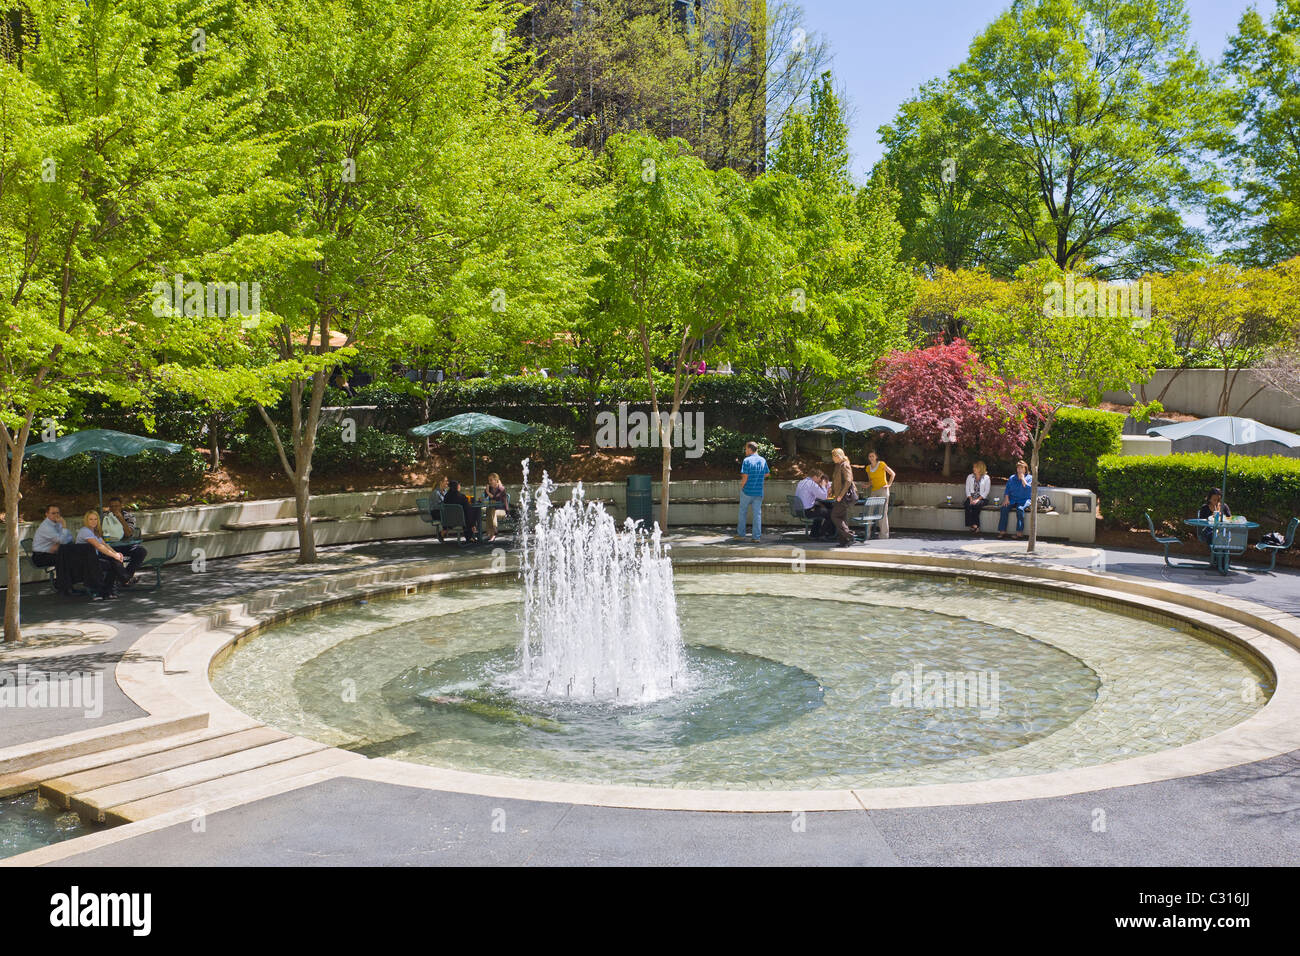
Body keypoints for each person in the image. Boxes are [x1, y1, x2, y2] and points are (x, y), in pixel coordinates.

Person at [75, 511, 129, 600]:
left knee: (114, 561)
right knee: (112, 563)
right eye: (91, 519)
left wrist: (116, 553)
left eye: (95, 519)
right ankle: (125, 580)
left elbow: (105, 545)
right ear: (86, 520)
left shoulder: (95, 532)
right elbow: (99, 546)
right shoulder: (85, 531)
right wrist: (115, 556)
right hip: (85, 561)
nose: (93, 521)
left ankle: (110, 590)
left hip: (94, 559)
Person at [101, 496, 148, 583]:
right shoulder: (105, 517)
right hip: (111, 546)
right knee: (114, 556)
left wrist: (121, 519)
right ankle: (126, 579)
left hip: (126, 545)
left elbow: (128, 534)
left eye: (116, 506)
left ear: (121, 506)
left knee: (141, 551)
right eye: (112, 506)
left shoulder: (129, 516)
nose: (114, 508)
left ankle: (126, 577)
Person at [736, 441, 770, 542]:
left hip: (747, 491)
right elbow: (767, 474)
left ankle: (741, 535)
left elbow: (745, 476)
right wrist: (758, 477)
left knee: (742, 513)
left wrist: (742, 486)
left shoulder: (747, 460)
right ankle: (756, 537)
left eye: (746, 448)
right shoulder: (763, 460)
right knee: (757, 515)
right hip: (758, 491)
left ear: (750, 449)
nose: (745, 450)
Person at [829, 447, 859, 547]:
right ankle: (844, 541)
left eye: (833, 456)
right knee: (842, 517)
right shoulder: (838, 465)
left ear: (837, 456)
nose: (832, 458)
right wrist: (831, 490)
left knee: (835, 516)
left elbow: (848, 481)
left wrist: (840, 495)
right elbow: (835, 480)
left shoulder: (845, 465)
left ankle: (849, 535)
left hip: (844, 496)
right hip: (838, 495)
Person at [997, 460, 1034, 538]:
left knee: (1020, 509)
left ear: (1025, 469)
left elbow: (1028, 489)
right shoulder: (1012, 478)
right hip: (1012, 499)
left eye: (1021, 468)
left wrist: (1023, 479)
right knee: (1004, 508)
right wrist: (1006, 499)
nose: (1019, 469)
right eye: (1018, 468)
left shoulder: (1030, 478)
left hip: (1024, 500)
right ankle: (1002, 531)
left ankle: (1019, 532)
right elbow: (1007, 490)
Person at [864, 450, 896, 540]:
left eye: (872, 456)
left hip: (883, 490)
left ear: (876, 457)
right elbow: (870, 481)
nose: (871, 458)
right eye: (869, 456)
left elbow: (892, 474)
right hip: (874, 490)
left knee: (882, 512)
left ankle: (884, 535)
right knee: (869, 511)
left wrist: (889, 484)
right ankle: (867, 534)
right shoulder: (868, 468)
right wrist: (867, 485)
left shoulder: (881, 464)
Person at [31, 504, 73, 570]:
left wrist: (58, 544)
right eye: (53, 513)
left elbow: (70, 537)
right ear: (47, 514)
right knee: (66, 559)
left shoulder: (57, 523)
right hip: (40, 557)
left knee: (74, 554)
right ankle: (64, 579)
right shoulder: (46, 527)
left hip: (51, 553)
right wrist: (64, 526)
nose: (56, 515)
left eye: (58, 513)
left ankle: (70, 579)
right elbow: (62, 540)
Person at [793, 470, 832, 538]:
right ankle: (822, 533)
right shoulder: (811, 484)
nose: (820, 480)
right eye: (820, 478)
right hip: (806, 512)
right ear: (815, 477)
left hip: (799, 510)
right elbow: (824, 496)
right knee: (832, 513)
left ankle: (814, 533)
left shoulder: (802, 482)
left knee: (821, 510)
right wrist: (823, 485)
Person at [964, 461, 991, 533]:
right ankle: (975, 525)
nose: (973, 469)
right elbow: (967, 489)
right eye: (974, 467)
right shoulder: (970, 476)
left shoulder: (986, 478)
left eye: (975, 467)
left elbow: (986, 491)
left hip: (982, 498)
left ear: (980, 468)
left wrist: (978, 499)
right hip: (971, 497)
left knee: (976, 505)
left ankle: (974, 526)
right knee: (967, 505)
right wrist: (970, 498)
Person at [484, 473, 510, 542]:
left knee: (493, 511)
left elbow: (495, 498)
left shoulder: (501, 489)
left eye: (491, 480)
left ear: (496, 480)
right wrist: (482, 496)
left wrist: (487, 492)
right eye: (489, 480)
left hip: (502, 510)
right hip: (492, 509)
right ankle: (491, 534)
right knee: (489, 510)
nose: (489, 482)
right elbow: (484, 496)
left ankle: (493, 532)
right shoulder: (490, 488)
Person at [431, 476, 450, 542]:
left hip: (443, 511)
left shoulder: (445, 491)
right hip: (436, 512)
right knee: (449, 516)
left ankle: (443, 532)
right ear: (441, 482)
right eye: (446, 481)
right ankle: (443, 532)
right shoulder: (435, 493)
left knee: (454, 514)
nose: (447, 482)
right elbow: (436, 506)